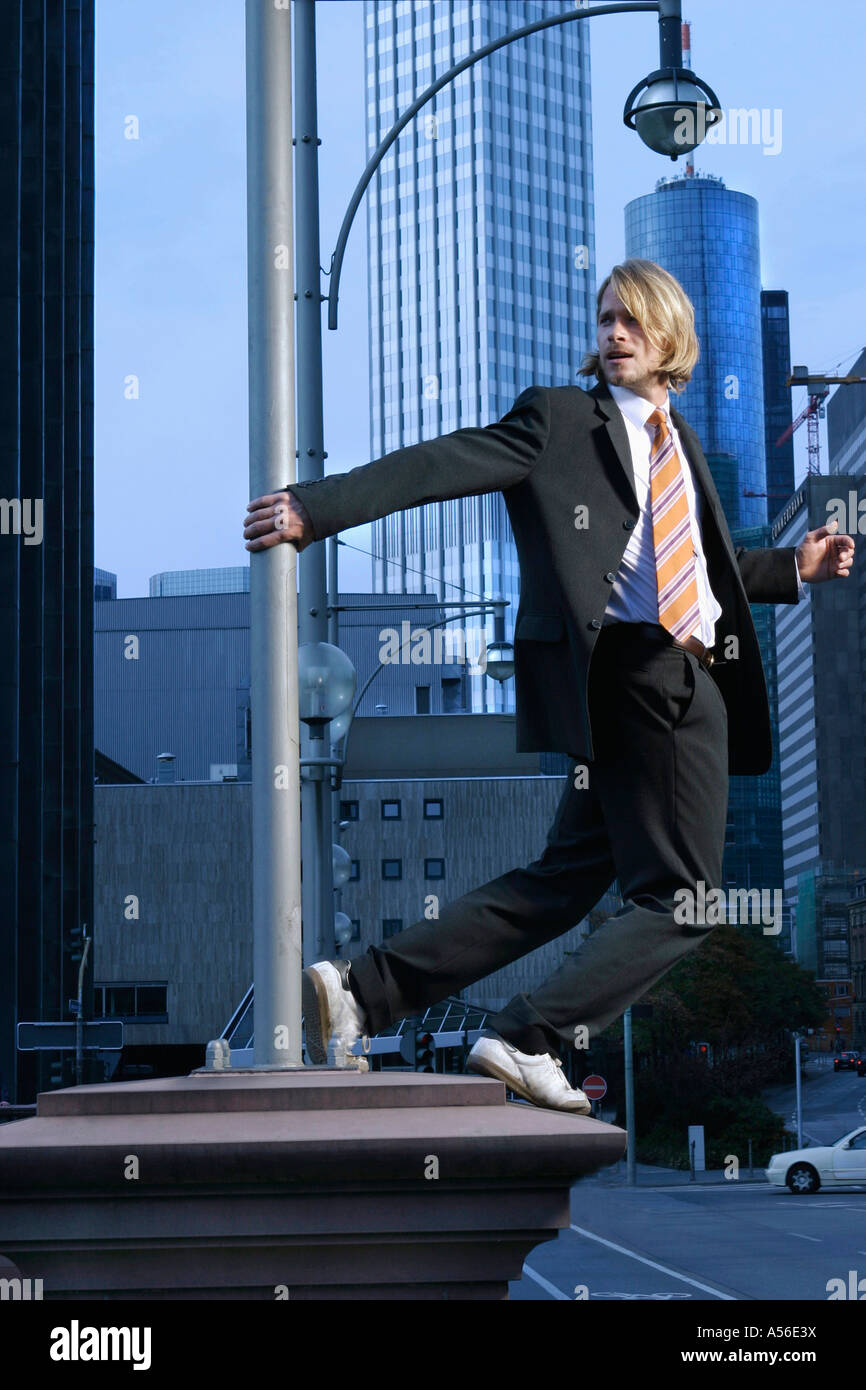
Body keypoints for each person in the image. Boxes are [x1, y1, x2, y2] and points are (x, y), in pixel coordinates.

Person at [243, 258, 854, 1115]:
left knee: (559, 884)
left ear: (672, 336)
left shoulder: (679, 449)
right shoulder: (564, 419)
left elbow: (697, 572)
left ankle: (364, 991)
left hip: (648, 681)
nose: (613, 335)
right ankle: (528, 1034)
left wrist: (792, 565)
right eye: (605, 319)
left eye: (632, 321)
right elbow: (442, 462)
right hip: (654, 682)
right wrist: (318, 509)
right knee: (683, 899)